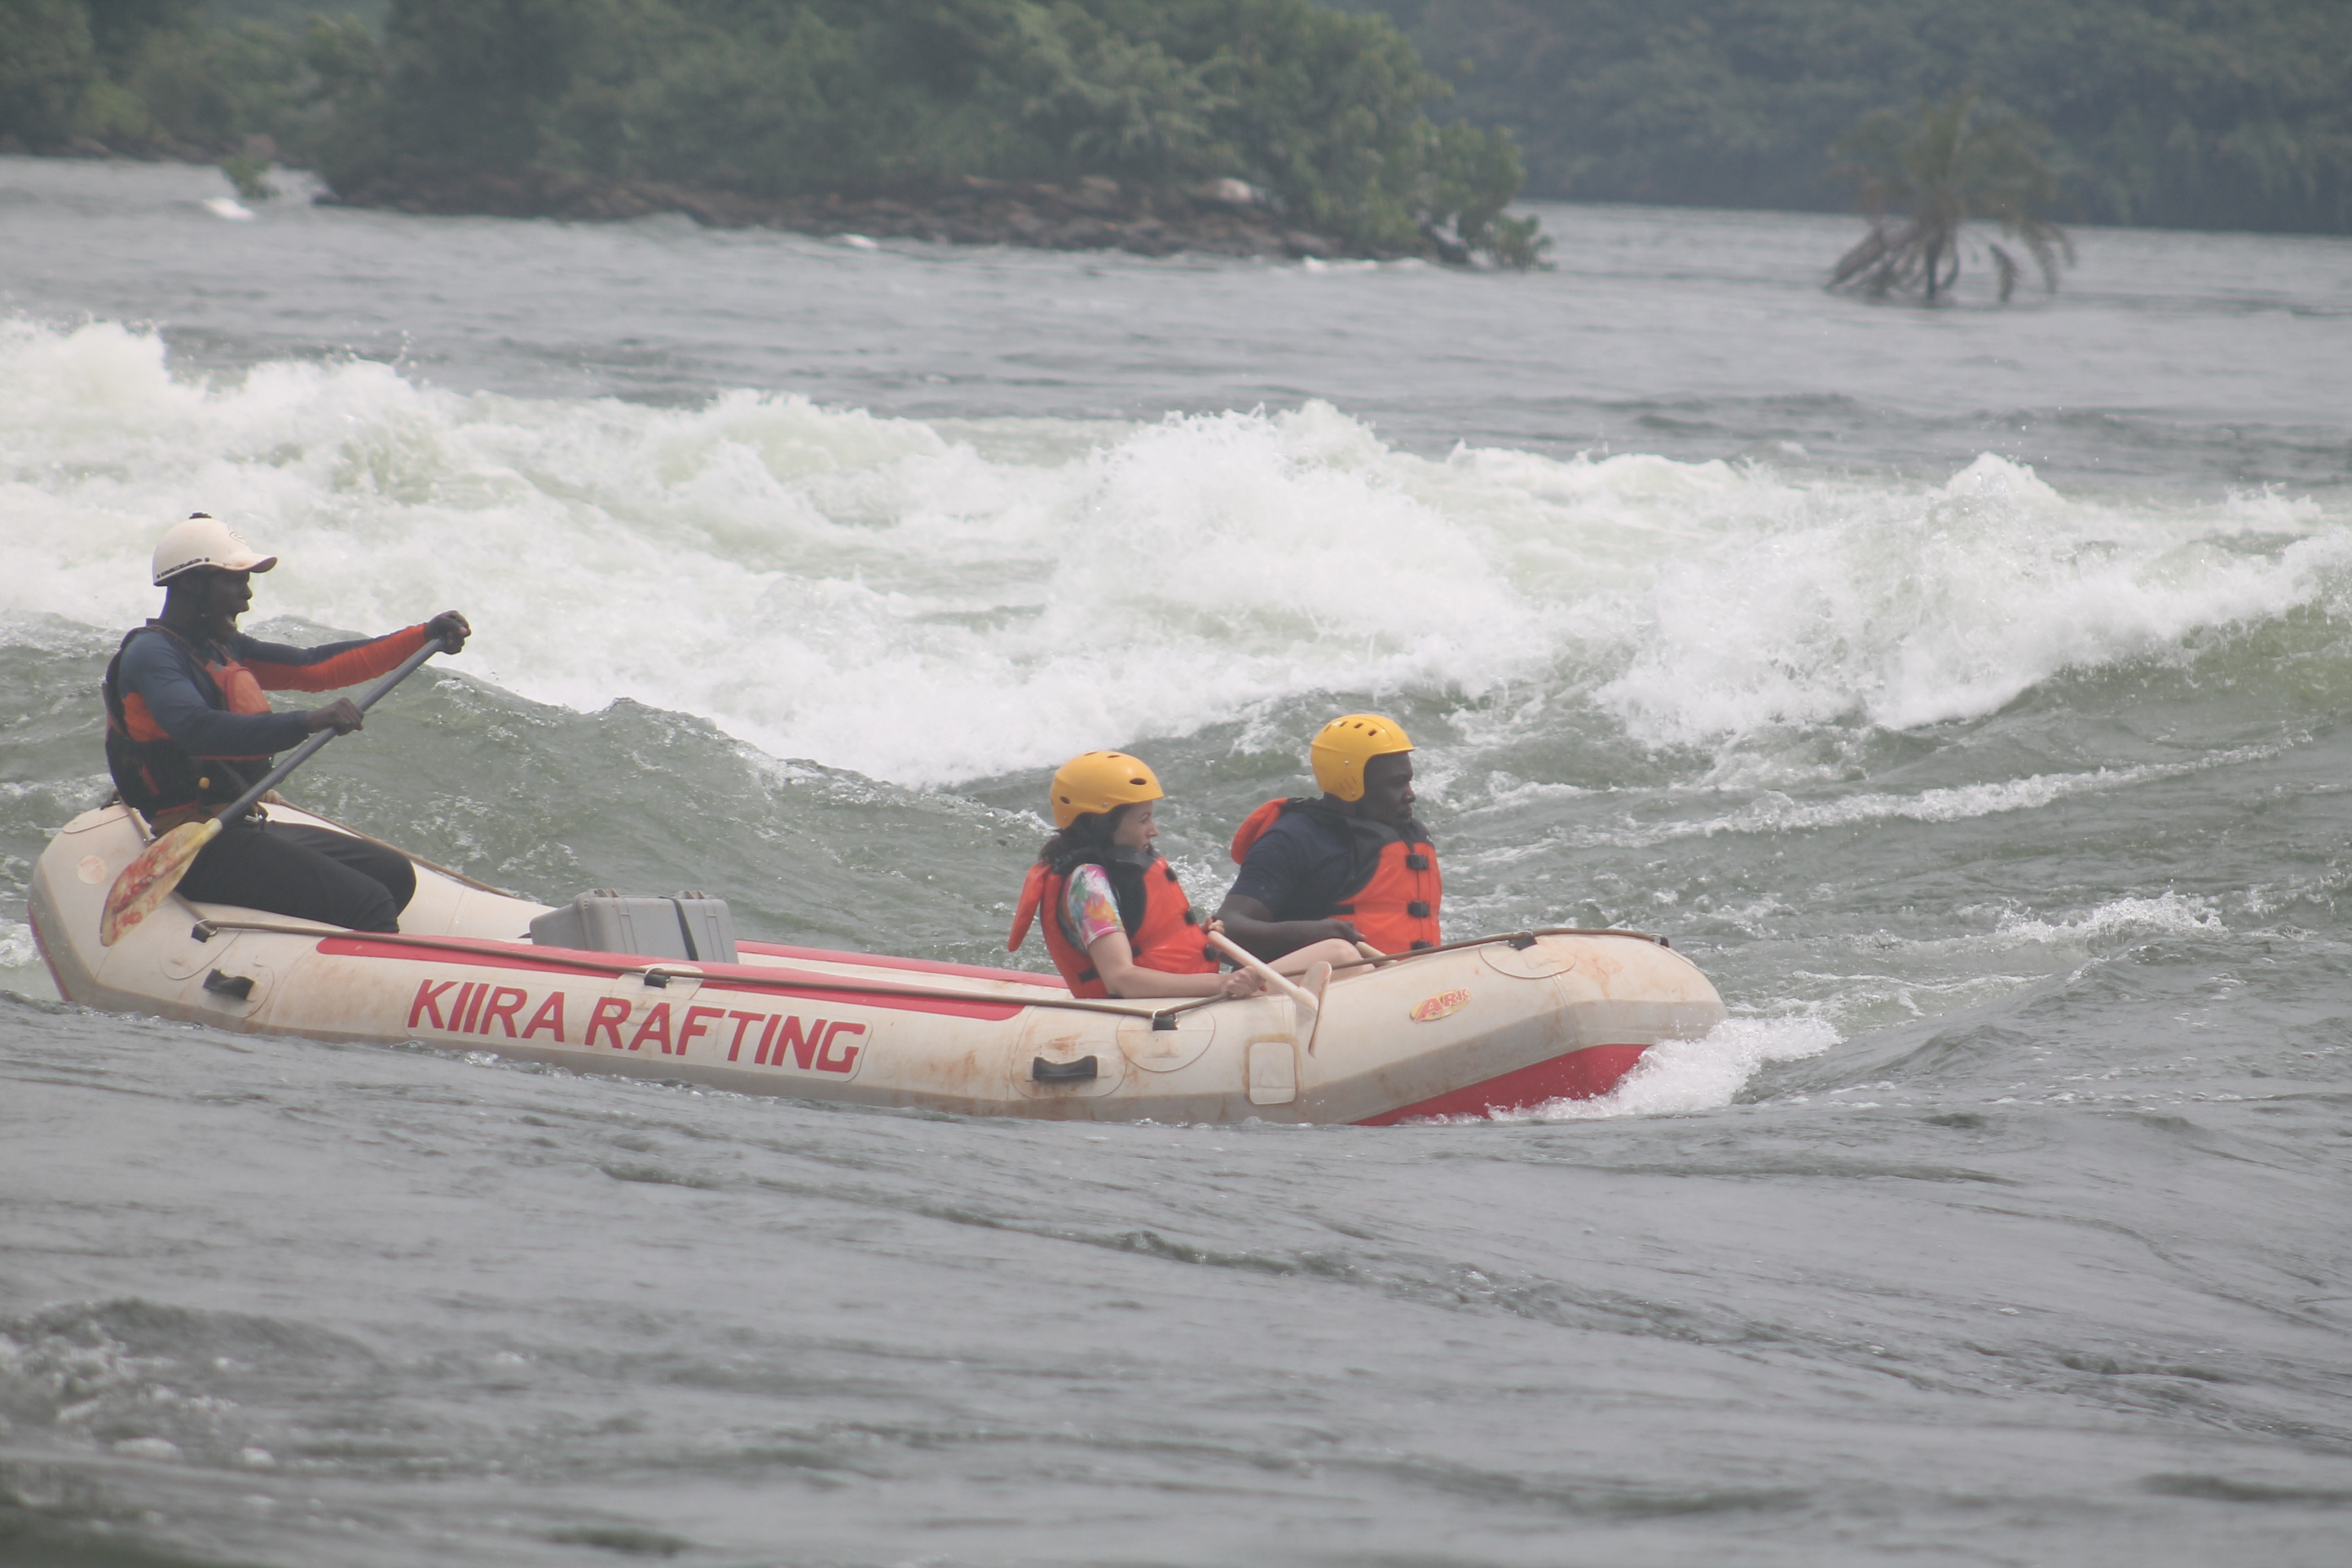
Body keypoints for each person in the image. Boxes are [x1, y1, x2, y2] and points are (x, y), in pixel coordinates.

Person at [101, 513, 471, 933]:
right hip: (193, 846)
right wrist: (308, 721)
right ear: (191, 583)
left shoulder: (221, 647)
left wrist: (422, 636)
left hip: (235, 825)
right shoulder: (153, 654)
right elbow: (198, 730)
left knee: (393, 873)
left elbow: (316, 668)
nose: (246, 597)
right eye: (235, 581)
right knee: (371, 904)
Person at [1007, 751, 1356, 999]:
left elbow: (1151, 945)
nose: (1154, 831)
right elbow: (1121, 980)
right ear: (1099, 823)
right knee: (1339, 954)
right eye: (1143, 819)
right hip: (1157, 1013)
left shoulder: (1114, 870)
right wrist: (1223, 984)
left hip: (1189, 1002)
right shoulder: (1089, 885)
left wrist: (1196, 942)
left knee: (1343, 956)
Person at [1215, 713, 1442, 961]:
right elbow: (1227, 930)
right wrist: (1309, 934)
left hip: (1413, 982)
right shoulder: (1293, 839)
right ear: (1352, 782)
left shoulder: (1414, 836)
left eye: (1409, 782)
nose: (1410, 795)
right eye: (1397, 784)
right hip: (1321, 985)